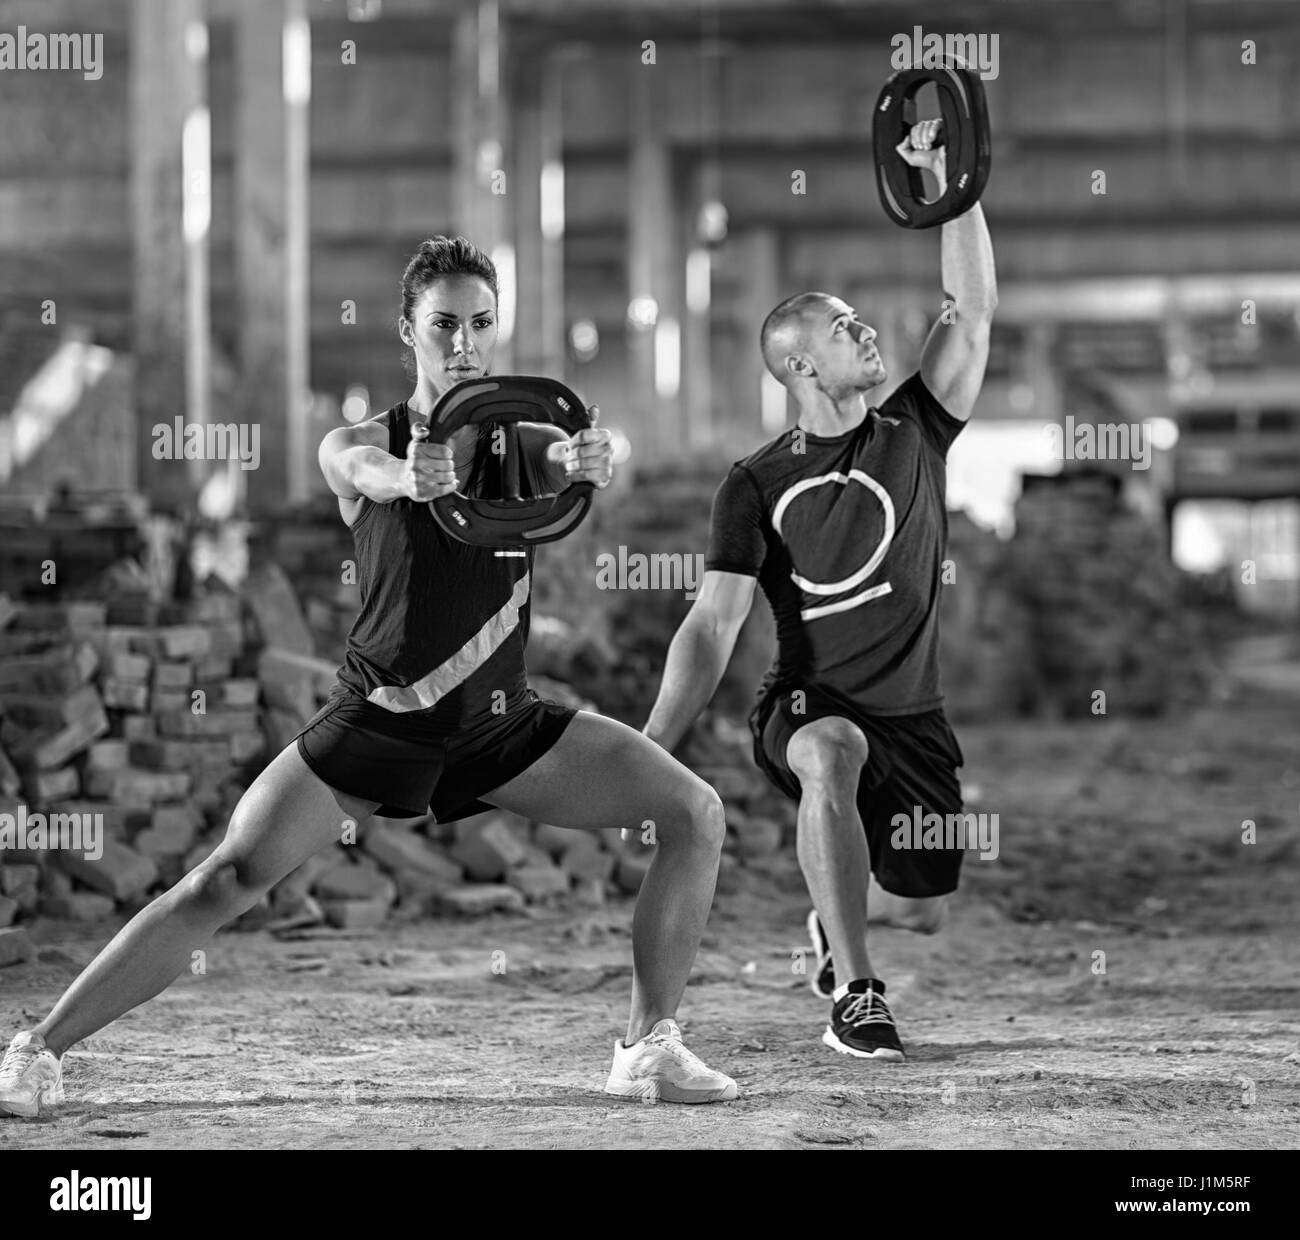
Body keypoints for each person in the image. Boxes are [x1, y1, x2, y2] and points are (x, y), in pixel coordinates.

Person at [0, 236, 737, 1117]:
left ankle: (648, 1048)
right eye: (444, 325)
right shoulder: (359, 445)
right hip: (382, 720)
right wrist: (407, 475)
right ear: (407, 331)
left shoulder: (521, 443)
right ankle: (35, 1049)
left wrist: (593, 455)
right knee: (224, 881)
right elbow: (365, 473)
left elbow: (568, 456)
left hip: (501, 727)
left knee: (695, 812)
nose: (463, 342)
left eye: (481, 324)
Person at [642, 122, 997, 1061]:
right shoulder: (755, 482)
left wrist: (947, 187)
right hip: (806, 704)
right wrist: (646, 753)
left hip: (913, 716)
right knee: (831, 752)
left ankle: (838, 939)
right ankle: (858, 992)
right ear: (801, 365)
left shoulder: (916, 430)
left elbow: (974, 309)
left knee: (919, 902)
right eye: (844, 328)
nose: (866, 330)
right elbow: (712, 625)